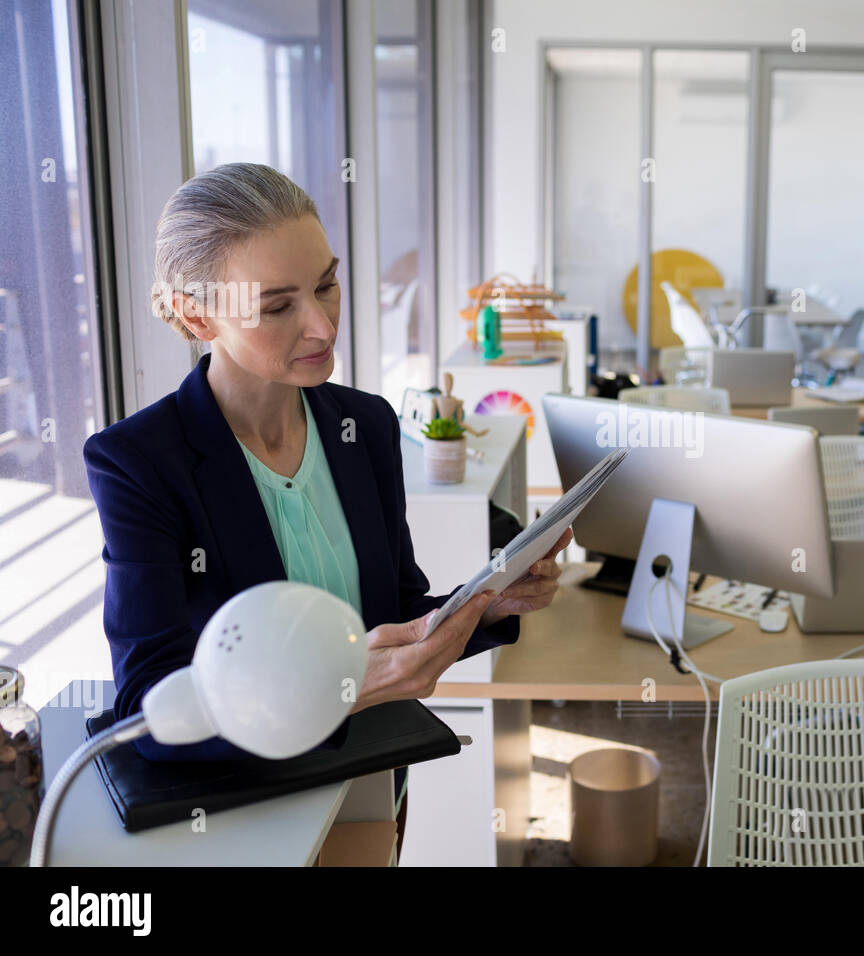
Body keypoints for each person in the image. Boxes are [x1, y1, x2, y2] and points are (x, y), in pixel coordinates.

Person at [82, 162, 569, 860]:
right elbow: (145, 712)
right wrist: (337, 690)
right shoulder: (140, 462)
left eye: (326, 285)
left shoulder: (363, 426)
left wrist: (489, 603)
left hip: (369, 778)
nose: (321, 325)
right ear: (196, 314)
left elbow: (392, 609)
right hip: (247, 811)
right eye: (277, 306)